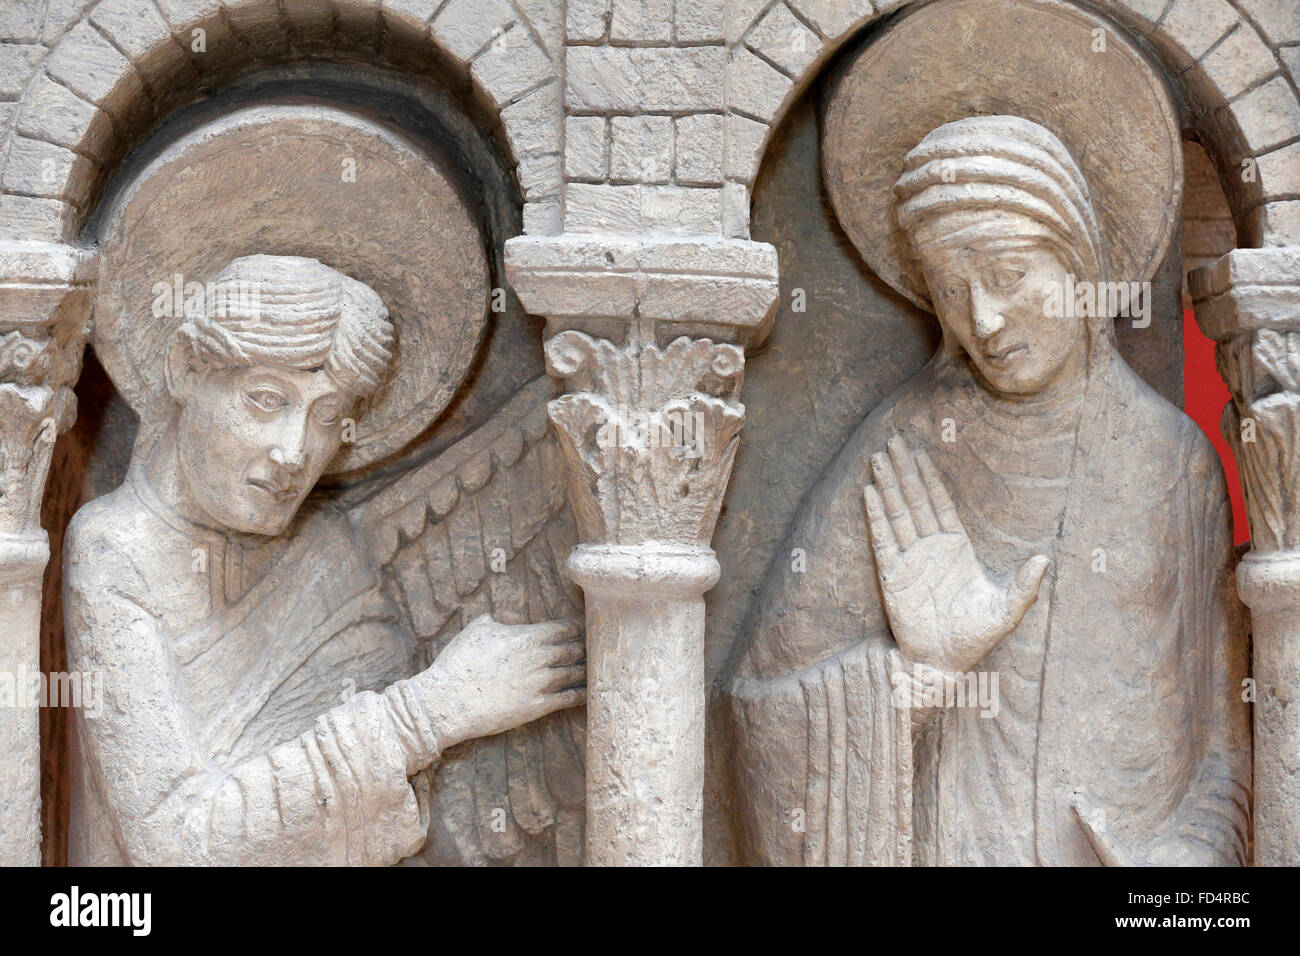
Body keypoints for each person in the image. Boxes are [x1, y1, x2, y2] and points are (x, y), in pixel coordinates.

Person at [726, 117, 1250, 866]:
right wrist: (924, 674)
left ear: (1079, 261)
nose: (983, 319)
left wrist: (1183, 868)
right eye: (950, 289)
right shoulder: (905, 443)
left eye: (1007, 274)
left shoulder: (1173, 463)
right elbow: (763, 706)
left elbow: (1226, 739)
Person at [65, 255, 585, 865]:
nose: (295, 452)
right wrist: (432, 712)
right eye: (266, 399)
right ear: (186, 368)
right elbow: (174, 841)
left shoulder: (330, 554)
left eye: (328, 417)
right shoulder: (115, 550)